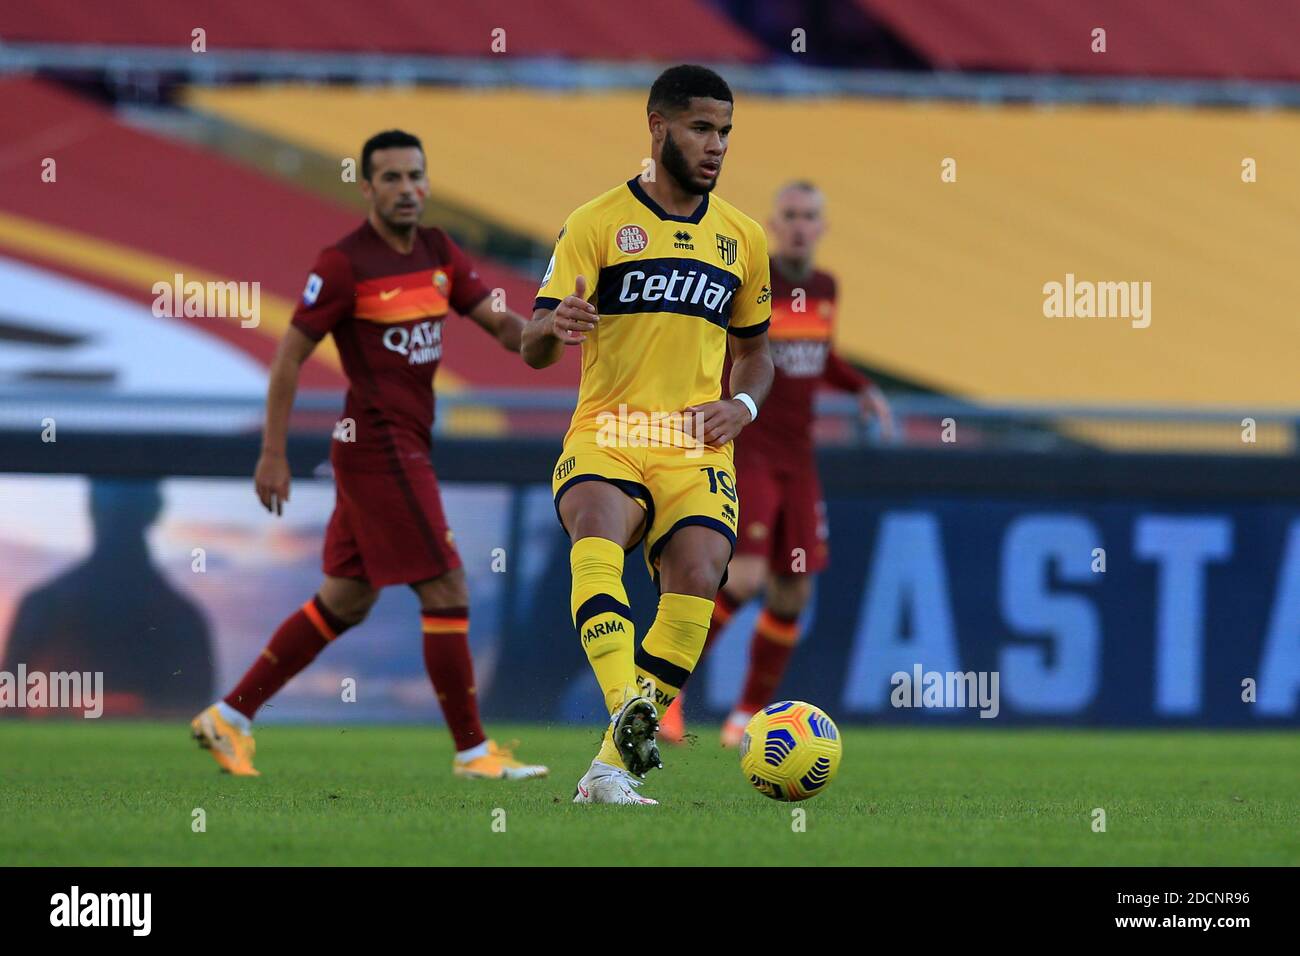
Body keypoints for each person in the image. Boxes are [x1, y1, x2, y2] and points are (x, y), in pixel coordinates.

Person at [191, 130, 547, 780]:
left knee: (346, 601)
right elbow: (289, 357)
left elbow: (501, 325)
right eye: (392, 178)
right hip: (377, 444)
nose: (408, 189)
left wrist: (546, 331)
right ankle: (473, 754)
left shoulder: (439, 250)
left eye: (417, 176)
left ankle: (229, 717)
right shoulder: (343, 263)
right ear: (367, 186)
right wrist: (273, 452)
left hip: (404, 440)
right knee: (445, 585)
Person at [522, 65, 774, 804]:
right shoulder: (594, 223)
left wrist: (744, 408)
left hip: (696, 442)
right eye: (702, 128)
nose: (716, 145)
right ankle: (625, 702)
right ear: (657, 127)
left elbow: (756, 355)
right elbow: (535, 341)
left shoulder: (742, 239)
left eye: (725, 131)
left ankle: (606, 771)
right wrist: (553, 328)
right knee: (595, 527)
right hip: (609, 427)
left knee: (698, 572)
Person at [660, 181, 894, 746]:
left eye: (809, 216)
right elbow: (738, 351)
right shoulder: (751, 279)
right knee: (745, 575)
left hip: (799, 458)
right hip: (752, 448)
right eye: (789, 215)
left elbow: (819, 355)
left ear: (823, 226)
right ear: (773, 222)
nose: (798, 225)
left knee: (795, 593)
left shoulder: (825, 287)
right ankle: (664, 691)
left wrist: (860, 387)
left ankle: (744, 717)